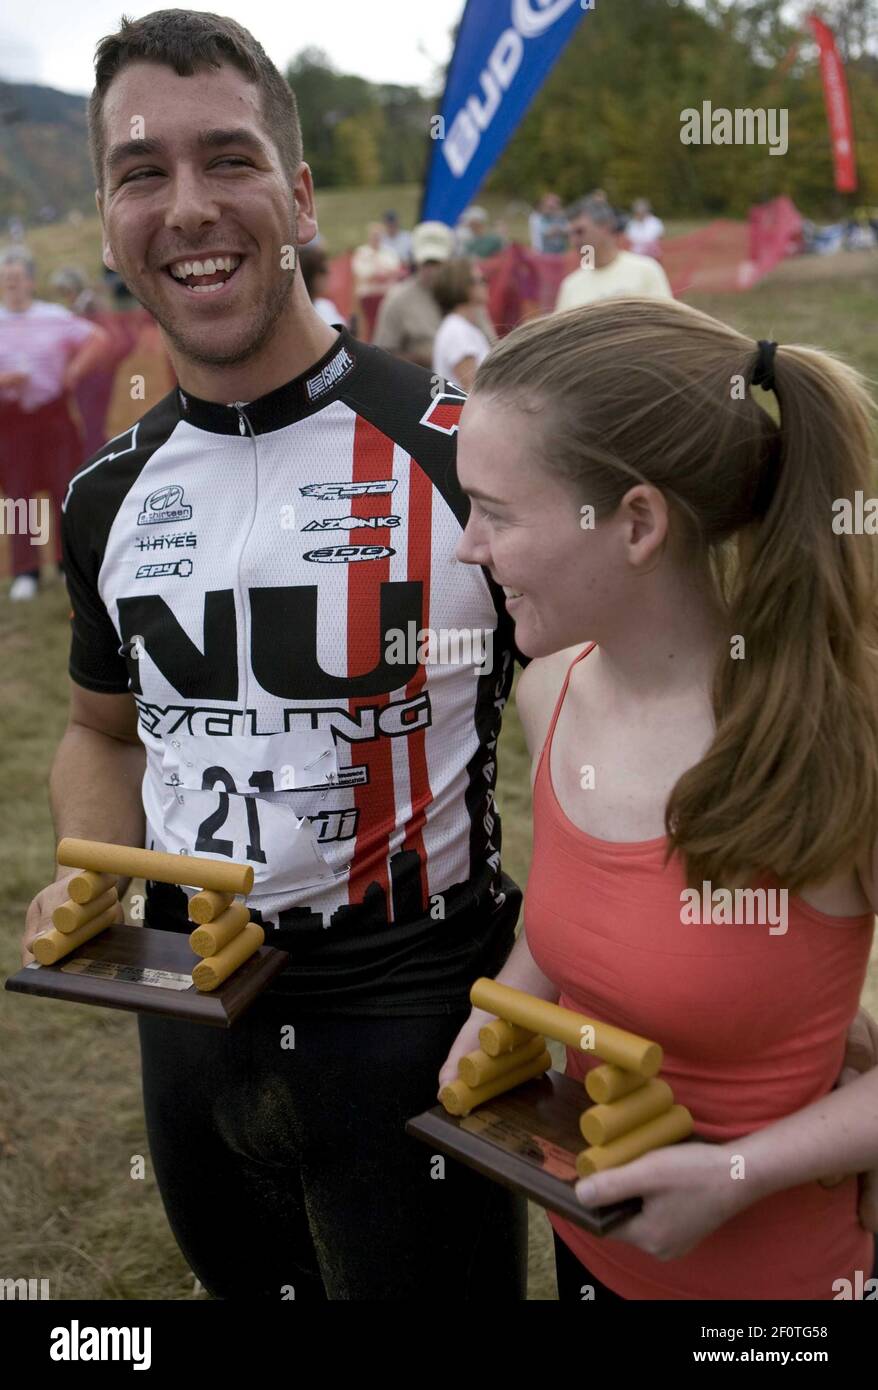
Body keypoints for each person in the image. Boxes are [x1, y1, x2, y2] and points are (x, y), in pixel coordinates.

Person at [22, 9, 528, 1302]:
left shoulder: (472, 448)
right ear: (108, 214)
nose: (187, 205)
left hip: (416, 1011)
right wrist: (90, 878)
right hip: (185, 1009)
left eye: (228, 159)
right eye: (143, 172)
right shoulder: (99, 495)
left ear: (299, 197)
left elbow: (620, 714)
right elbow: (99, 728)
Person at [443, 294, 878, 1300]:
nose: (469, 547)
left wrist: (737, 1174)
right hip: (589, 1251)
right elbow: (571, 928)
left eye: (496, 513)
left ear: (634, 521)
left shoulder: (840, 737)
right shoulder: (551, 690)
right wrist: (510, 1008)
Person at [0, 247, 110, 599]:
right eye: (6, 280)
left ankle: (69, 566)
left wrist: (73, 371)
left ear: (31, 281)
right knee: (18, 496)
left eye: (17, 279)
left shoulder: (53, 316)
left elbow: (97, 338)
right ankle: (26, 572)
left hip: (54, 415)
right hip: (12, 421)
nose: (11, 285)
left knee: (65, 489)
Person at [555, 197, 672, 312]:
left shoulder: (646, 270)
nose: (573, 241)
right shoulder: (570, 286)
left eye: (580, 232)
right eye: (569, 234)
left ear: (605, 227)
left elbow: (667, 322)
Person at [372, 220, 455, 368]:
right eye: (427, 263)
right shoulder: (397, 299)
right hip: (421, 384)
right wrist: (421, 360)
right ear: (416, 261)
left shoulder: (465, 294)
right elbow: (382, 354)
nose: (432, 270)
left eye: (437, 263)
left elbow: (489, 343)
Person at [431, 258, 493, 393]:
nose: (485, 284)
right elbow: (473, 390)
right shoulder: (457, 331)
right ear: (463, 286)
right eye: (479, 280)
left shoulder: (462, 327)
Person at [298, 243, 346, 327]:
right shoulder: (296, 314)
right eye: (323, 271)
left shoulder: (325, 306)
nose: (329, 273)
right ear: (309, 275)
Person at [350, 220, 400, 299]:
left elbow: (395, 270)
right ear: (369, 236)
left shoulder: (390, 252)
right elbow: (359, 273)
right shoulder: (361, 252)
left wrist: (382, 274)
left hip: (387, 292)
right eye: (374, 235)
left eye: (378, 235)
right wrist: (376, 274)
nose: (376, 237)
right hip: (367, 293)